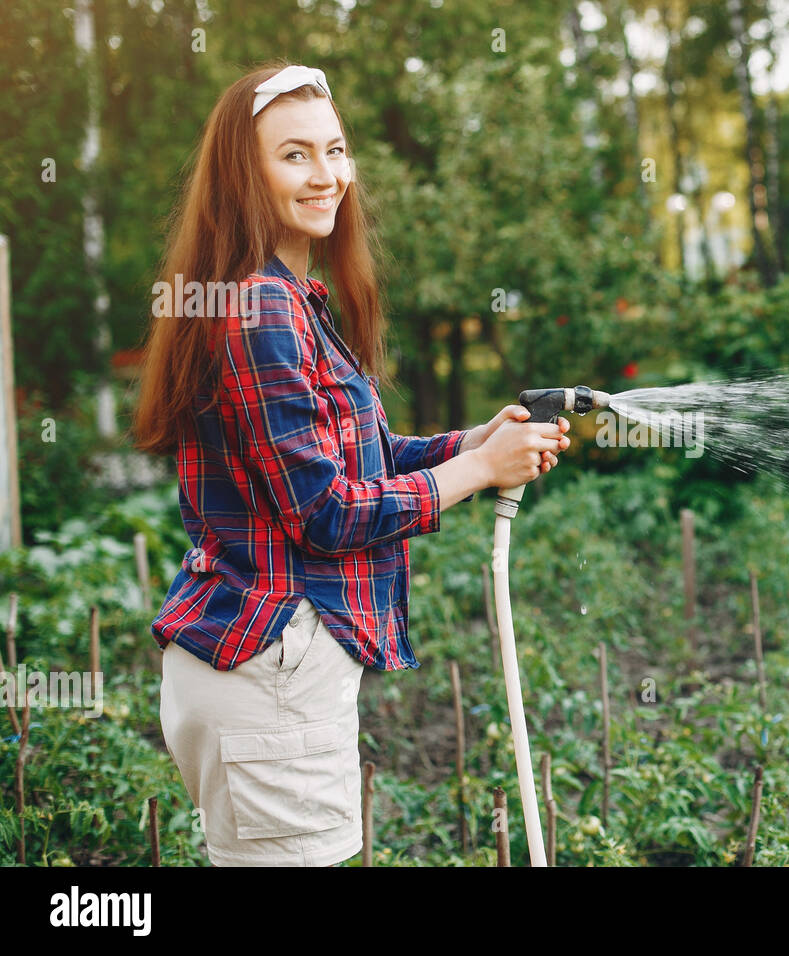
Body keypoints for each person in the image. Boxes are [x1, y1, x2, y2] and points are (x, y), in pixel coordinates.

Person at [130, 61, 570, 866]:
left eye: (335, 151)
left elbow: (355, 461)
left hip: (260, 670)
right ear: (243, 172)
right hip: (270, 672)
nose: (327, 175)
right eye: (294, 155)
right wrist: (476, 474)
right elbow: (327, 512)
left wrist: (474, 443)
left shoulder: (285, 298)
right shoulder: (260, 309)